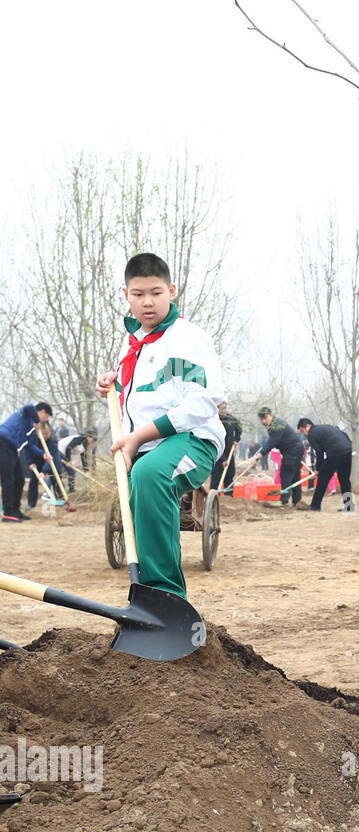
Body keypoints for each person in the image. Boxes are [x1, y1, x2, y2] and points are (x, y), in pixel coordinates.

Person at [93, 252, 225, 597]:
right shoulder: (133, 342)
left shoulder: (187, 338)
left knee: (150, 475)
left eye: (156, 292)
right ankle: (148, 595)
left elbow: (201, 400)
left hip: (192, 438)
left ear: (172, 290)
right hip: (150, 445)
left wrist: (137, 438)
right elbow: (147, 395)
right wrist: (115, 384)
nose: (147, 302)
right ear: (126, 295)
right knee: (142, 478)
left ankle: (165, 597)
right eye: (138, 294)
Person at [0, 401, 52, 522]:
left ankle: (15, 510)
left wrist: (43, 454)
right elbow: (29, 406)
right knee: (9, 480)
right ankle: (8, 513)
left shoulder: (31, 427)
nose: (45, 419)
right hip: (3, 443)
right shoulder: (26, 414)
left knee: (20, 479)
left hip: (12, 449)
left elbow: (28, 445)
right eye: (47, 416)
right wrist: (37, 421)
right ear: (42, 412)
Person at [297, 418, 355, 511]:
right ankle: (349, 506)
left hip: (335, 452)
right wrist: (348, 448)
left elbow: (319, 453)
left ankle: (315, 506)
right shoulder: (327, 426)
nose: (303, 434)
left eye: (302, 431)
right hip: (347, 449)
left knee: (322, 479)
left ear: (307, 426)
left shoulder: (312, 434)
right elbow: (344, 435)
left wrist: (318, 469)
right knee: (344, 479)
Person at [255, 407, 305, 506]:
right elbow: (272, 441)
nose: (263, 421)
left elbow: (272, 443)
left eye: (265, 418)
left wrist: (258, 457)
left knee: (286, 472)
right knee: (294, 475)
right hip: (294, 449)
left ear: (271, 415)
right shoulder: (274, 424)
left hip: (293, 450)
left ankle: (284, 501)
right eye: (261, 419)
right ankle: (297, 501)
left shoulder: (277, 426)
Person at [211, 402, 242, 494]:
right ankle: (214, 496)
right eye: (221, 408)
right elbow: (216, 441)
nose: (223, 411)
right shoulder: (215, 421)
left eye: (225, 408)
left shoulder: (231, 419)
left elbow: (239, 428)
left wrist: (236, 439)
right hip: (218, 452)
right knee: (216, 477)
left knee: (230, 474)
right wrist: (223, 459)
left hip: (229, 451)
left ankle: (229, 495)